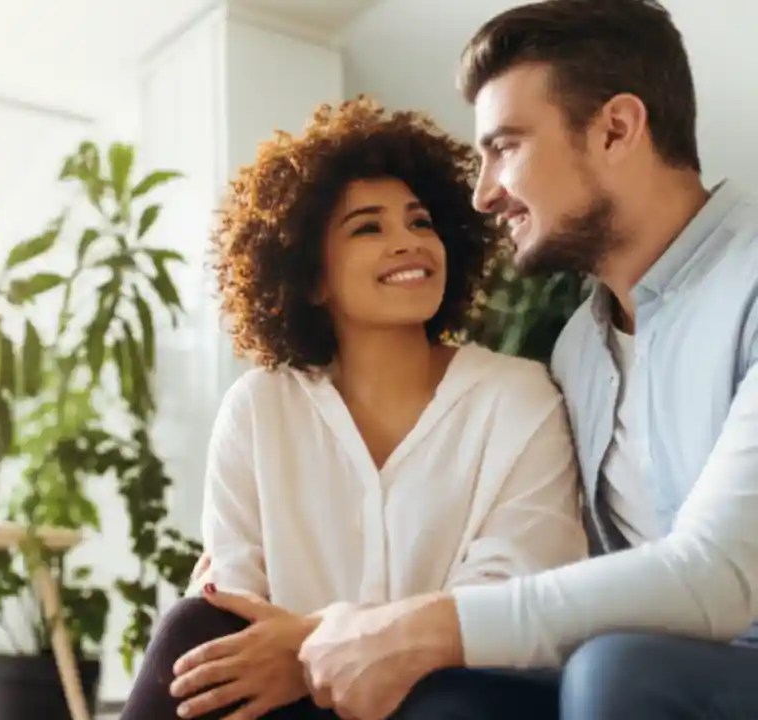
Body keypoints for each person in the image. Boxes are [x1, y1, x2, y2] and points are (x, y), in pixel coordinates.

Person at [295, 2, 758, 719]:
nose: (484, 194)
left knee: (617, 669)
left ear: (616, 129)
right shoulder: (578, 351)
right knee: (444, 697)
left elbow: (722, 576)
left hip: (686, 667)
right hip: (642, 672)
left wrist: (426, 627)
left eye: (505, 148)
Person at [118, 97, 587, 720]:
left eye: (421, 223)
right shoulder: (259, 408)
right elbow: (233, 600)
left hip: (448, 693)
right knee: (192, 630)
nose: (408, 243)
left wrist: (311, 643)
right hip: (287, 699)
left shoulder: (517, 396)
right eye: (369, 228)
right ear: (312, 278)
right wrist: (305, 656)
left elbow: (509, 599)